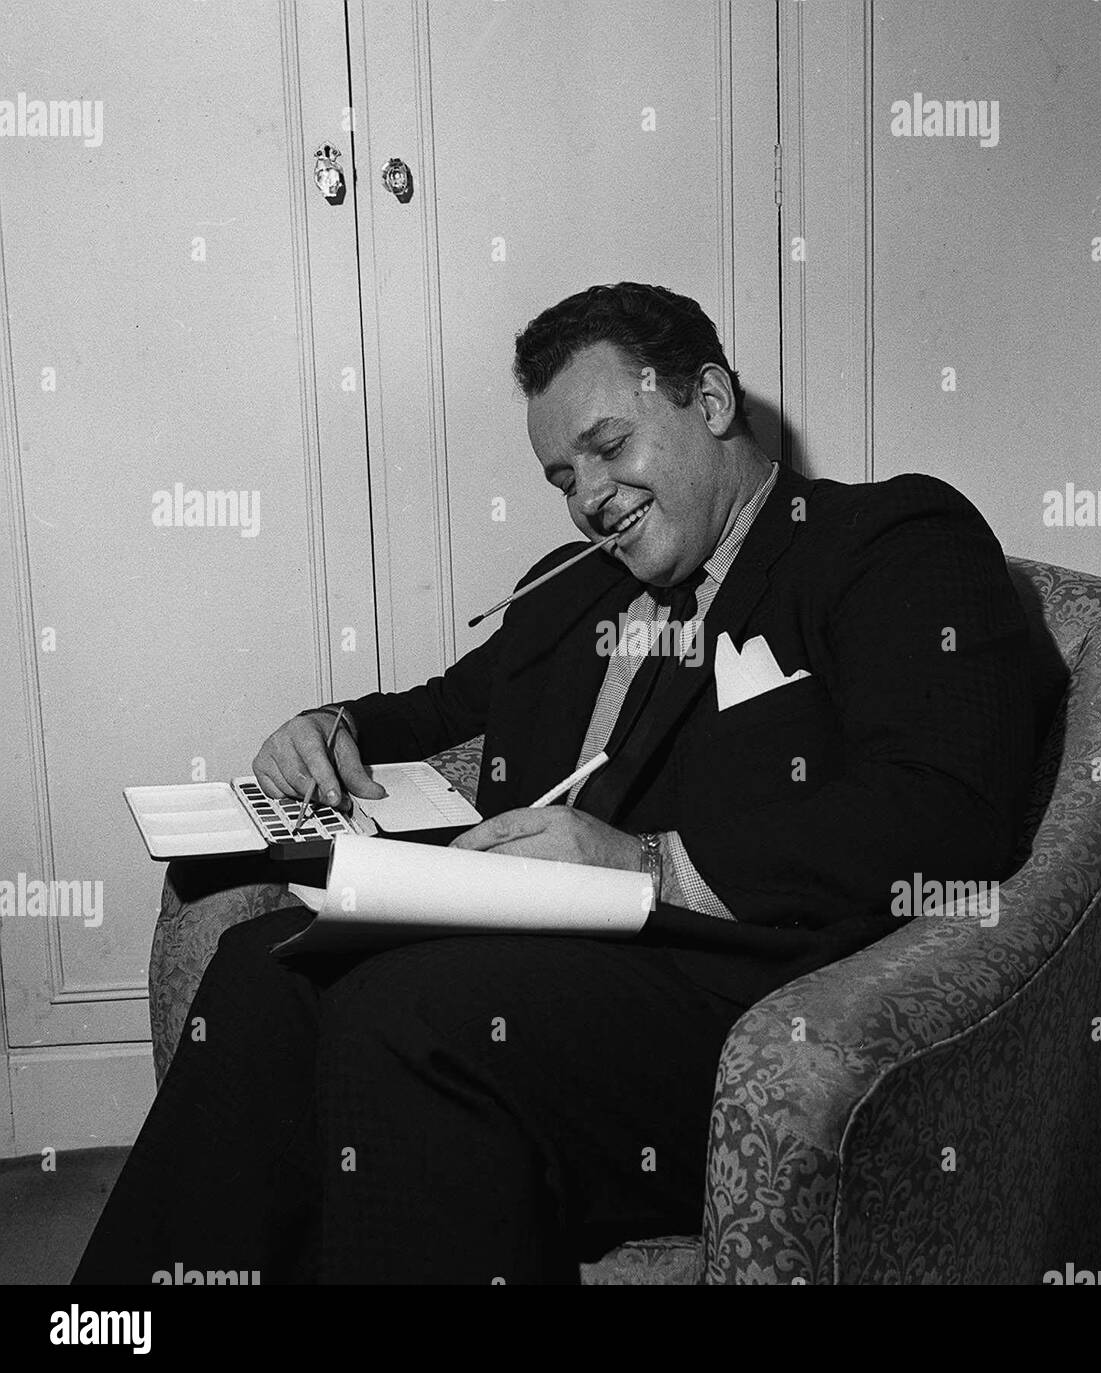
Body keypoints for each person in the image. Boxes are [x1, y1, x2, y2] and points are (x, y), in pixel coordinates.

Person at [73, 282, 1036, 1284]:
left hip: (749, 994)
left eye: (610, 447)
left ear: (708, 401)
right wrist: (333, 726)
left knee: (404, 1013)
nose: (588, 498)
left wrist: (642, 864)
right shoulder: (573, 589)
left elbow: (944, 810)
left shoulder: (886, 539)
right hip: (543, 964)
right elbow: (442, 708)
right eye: (562, 476)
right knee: (260, 967)